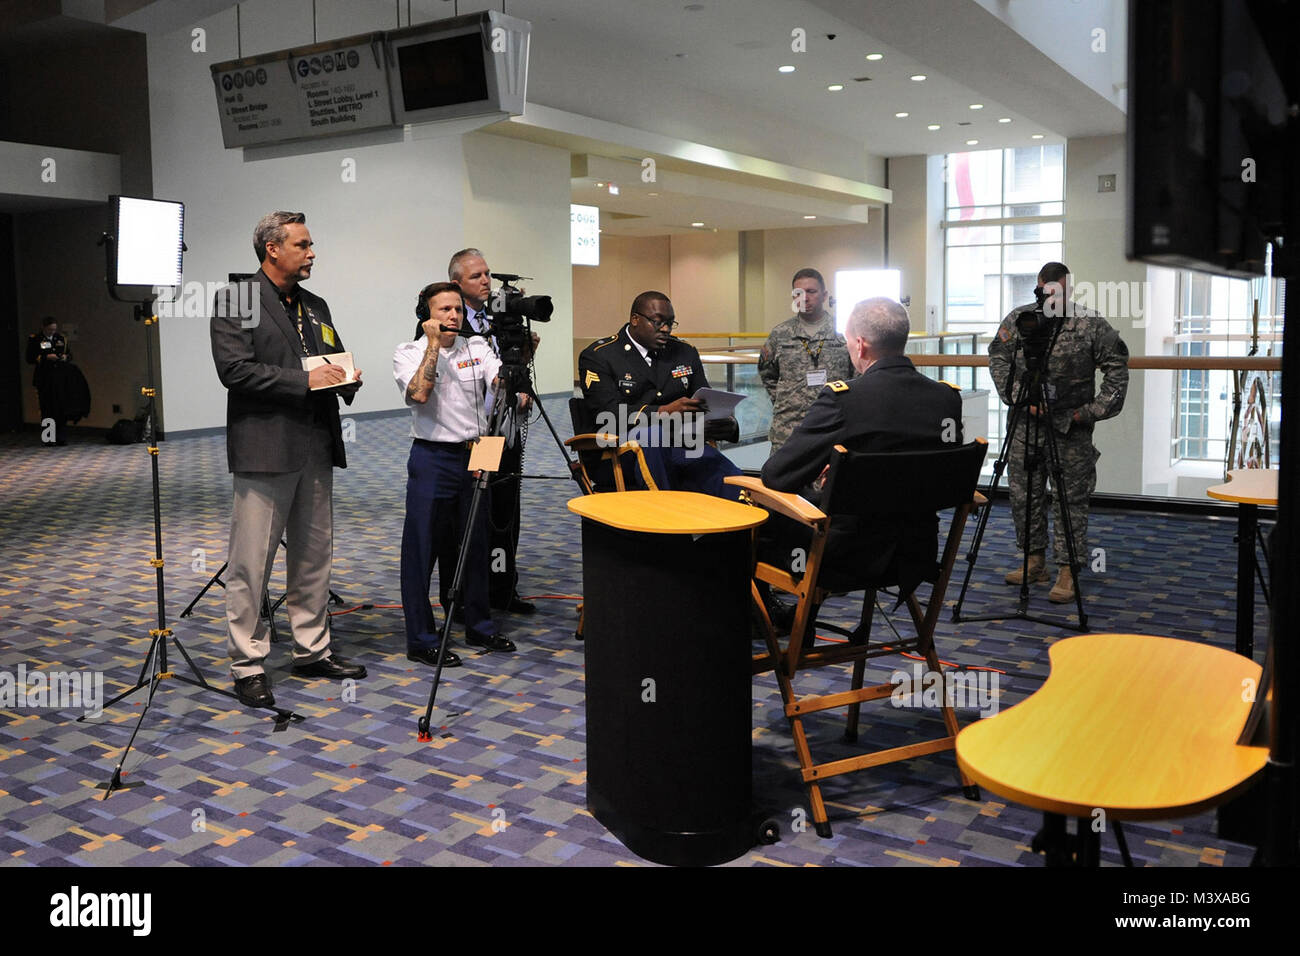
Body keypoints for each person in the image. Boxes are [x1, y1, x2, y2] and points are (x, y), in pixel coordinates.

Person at [210, 211, 367, 709]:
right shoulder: (237, 299)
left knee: (314, 556)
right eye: (303, 244)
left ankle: (311, 649)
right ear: (272, 249)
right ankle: (247, 662)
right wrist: (306, 382)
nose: (312, 252)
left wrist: (345, 377)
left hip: (317, 445)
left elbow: (331, 360)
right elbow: (235, 370)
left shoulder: (315, 304)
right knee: (251, 563)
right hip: (265, 448)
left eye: (310, 244)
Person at [762, 297, 963, 601]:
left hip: (843, 558)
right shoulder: (946, 398)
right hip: (917, 554)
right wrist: (849, 476)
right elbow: (936, 472)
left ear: (860, 344)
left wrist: (845, 478)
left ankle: (776, 631)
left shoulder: (844, 400)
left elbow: (777, 476)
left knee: (750, 530)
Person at [988, 261, 1129, 603]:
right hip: (1024, 425)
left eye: (1059, 291)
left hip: (1070, 427)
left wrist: (1089, 412)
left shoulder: (1090, 324)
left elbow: (1117, 370)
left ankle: (1068, 569)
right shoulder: (1020, 320)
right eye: (1046, 289)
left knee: (1070, 499)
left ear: (1070, 289)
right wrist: (1022, 396)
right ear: (1038, 286)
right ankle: (1034, 560)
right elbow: (998, 358)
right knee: (1025, 494)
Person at [394, 281, 518, 666]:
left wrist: (513, 366)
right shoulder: (408, 352)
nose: (453, 317)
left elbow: (499, 383)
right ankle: (422, 639)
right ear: (425, 316)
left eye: (458, 310)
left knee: (475, 544)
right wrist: (433, 345)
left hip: (479, 450)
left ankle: (479, 625)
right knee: (422, 548)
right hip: (433, 455)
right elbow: (418, 394)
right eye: (444, 310)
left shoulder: (477, 347)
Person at [578, 290, 741, 499]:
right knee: (651, 435)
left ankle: (742, 518)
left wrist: (725, 422)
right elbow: (607, 414)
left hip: (679, 441)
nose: (665, 329)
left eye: (671, 323)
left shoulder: (684, 352)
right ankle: (665, 515)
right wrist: (663, 412)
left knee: (728, 481)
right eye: (657, 322)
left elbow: (703, 400)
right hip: (618, 451)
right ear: (635, 319)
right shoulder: (600, 356)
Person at [444, 248, 536, 615]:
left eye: (487, 273)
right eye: (476, 276)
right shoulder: (449, 320)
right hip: (475, 434)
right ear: (456, 284)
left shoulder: (501, 318)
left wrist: (523, 373)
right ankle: (466, 596)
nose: (486, 281)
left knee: (505, 512)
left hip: (507, 428)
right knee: (474, 515)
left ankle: (503, 588)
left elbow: (509, 369)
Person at [758, 268, 853, 451]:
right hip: (788, 429)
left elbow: (857, 375)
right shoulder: (780, 334)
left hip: (832, 427)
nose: (805, 298)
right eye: (798, 293)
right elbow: (766, 372)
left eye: (811, 291)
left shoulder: (844, 332)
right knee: (784, 479)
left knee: (830, 479)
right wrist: (786, 399)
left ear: (824, 295)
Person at [25, 317, 86, 445]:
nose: (52, 332)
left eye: (54, 329)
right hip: (44, 379)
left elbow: (69, 354)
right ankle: (48, 438)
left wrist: (65, 357)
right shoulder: (35, 339)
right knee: (47, 409)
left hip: (60, 378)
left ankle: (60, 437)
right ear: (44, 327)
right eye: (50, 329)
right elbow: (29, 358)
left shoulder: (61, 339)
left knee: (61, 408)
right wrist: (45, 357)